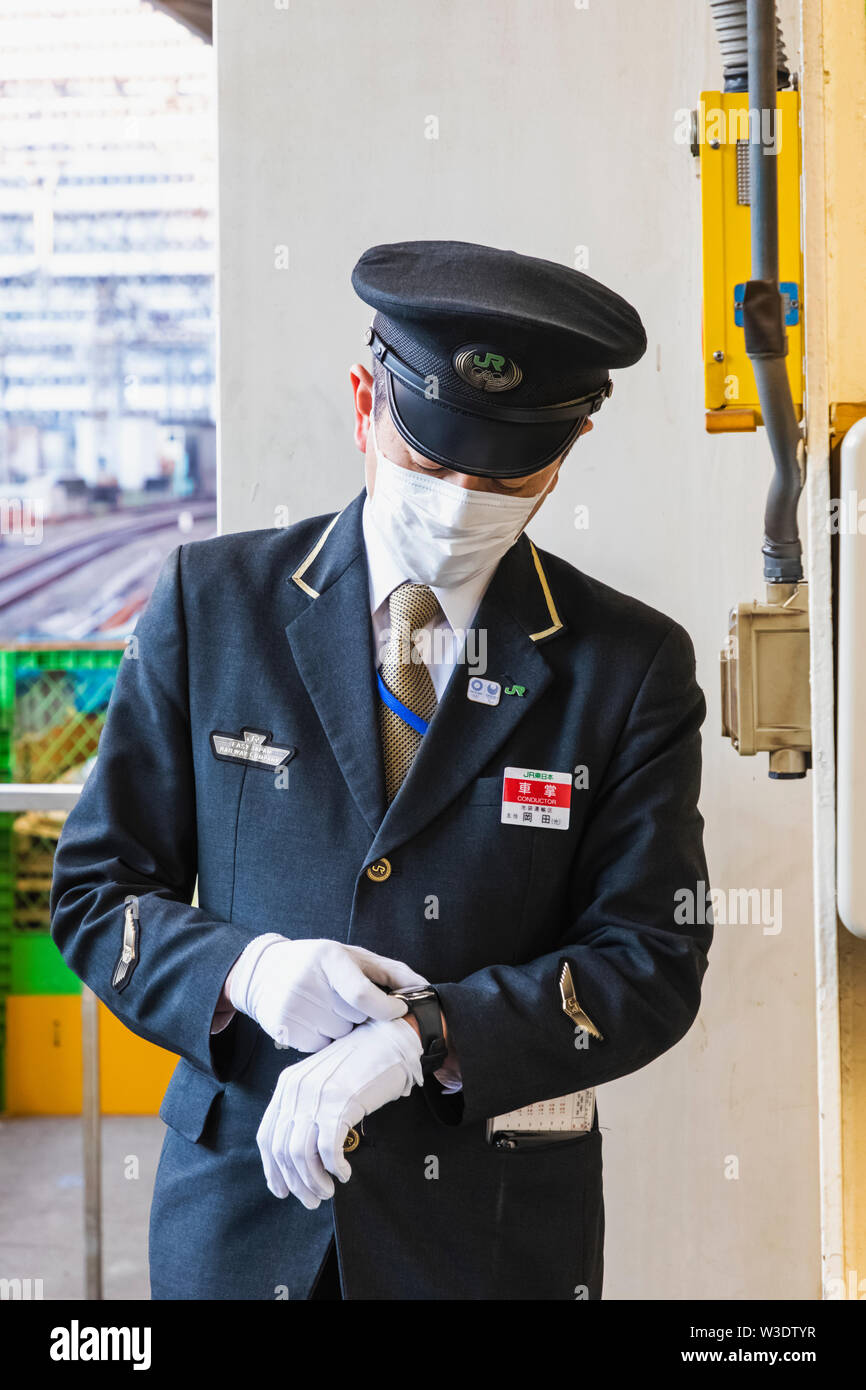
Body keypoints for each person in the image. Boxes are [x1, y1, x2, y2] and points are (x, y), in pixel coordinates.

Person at [50, 239, 712, 1301]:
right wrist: (247, 972)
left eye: (502, 475)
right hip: (240, 1218)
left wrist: (424, 1038)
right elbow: (94, 894)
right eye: (430, 459)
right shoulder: (212, 606)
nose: (457, 502)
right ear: (365, 401)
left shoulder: (624, 666)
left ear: (571, 445)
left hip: (491, 1238)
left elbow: (649, 960)